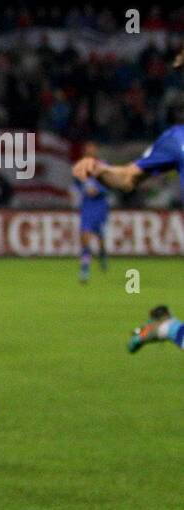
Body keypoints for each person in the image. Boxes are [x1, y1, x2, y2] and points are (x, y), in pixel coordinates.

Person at [74, 119, 184, 351]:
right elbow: (127, 177)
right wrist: (101, 170)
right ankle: (166, 327)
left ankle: (166, 327)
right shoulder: (176, 139)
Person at [72, 140, 109, 283]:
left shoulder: (104, 166)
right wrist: (83, 190)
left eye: (92, 149)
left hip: (100, 205)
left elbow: (111, 183)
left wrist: (99, 190)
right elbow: (77, 183)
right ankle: (85, 268)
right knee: (85, 236)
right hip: (87, 206)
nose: (90, 151)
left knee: (99, 236)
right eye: (87, 149)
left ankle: (102, 254)